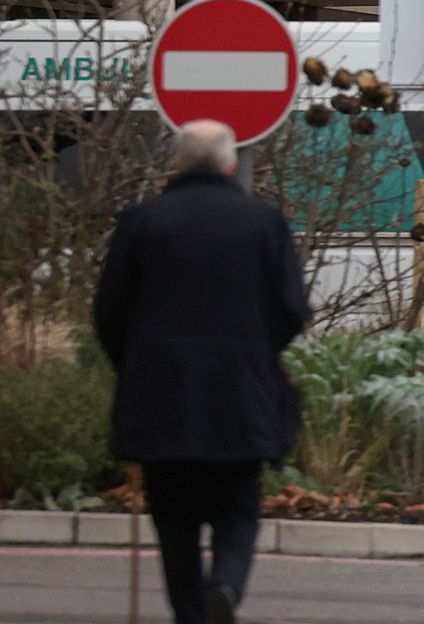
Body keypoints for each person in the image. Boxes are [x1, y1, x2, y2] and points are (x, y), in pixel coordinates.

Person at [92, 121, 309, 624]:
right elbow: (292, 310)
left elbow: (109, 312)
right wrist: (256, 354)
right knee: (238, 507)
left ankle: (190, 612)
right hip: (242, 394)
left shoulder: (142, 221)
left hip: (162, 395)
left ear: (176, 163)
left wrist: (137, 365)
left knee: (174, 518)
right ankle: (226, 587)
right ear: (231, 165)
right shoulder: (263, 222)